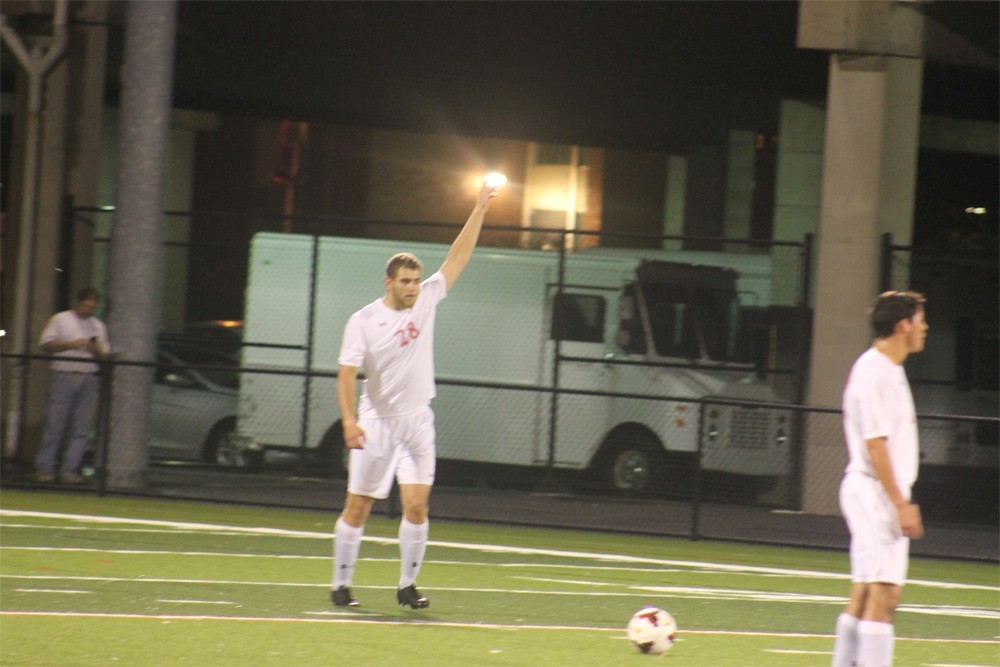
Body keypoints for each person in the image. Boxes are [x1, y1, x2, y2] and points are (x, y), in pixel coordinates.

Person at [330, 177, 503, 609]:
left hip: (418, 419)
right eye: (405, 280)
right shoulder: (364, 321)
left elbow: (458, 258)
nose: (413, 286)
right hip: (378, 423)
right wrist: (350, 421)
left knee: (418, 507)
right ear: (388, 281)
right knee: (359, 507)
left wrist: (480, 208)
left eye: (416, 280)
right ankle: (340, 585)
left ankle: (407, 586)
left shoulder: (426, 300)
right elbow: (346, 374)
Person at [831, 291, 928, 667]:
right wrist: (900, 505)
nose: (925, 328)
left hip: (880, 492)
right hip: (875, 493)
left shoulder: (889, 369)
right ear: (902, 325)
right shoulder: (875, 371)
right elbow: (876, 446)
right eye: (920, 320)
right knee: (885, 596)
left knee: (867, 592)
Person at [35, 286, 111, 483]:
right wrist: (71, 344)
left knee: (81, 428)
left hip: (88, 375)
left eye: (92, 307)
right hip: (64, 373)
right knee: (55, 423)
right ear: (78, 303)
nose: (88, 310)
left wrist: (95, 349)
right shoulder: (61, 319)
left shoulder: (97, 326)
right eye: (86, 305)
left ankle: (70, 469)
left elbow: (104, 354)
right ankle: (45, 467)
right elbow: (45, 343)